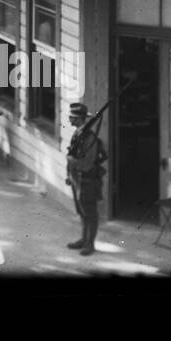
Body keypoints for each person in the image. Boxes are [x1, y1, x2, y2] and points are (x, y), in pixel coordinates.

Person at [65, 102, 107, 256]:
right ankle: (83, 239)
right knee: (82, 211)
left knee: (90, 212)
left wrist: (71, 162)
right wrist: (69, 175)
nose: (69, 120)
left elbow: (87, 164)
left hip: (88, 180)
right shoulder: (78, 134)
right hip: (77, 179)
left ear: (79, 119)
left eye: (72, 117)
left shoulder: (90, 139)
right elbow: (72, 154)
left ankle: (90, 243)